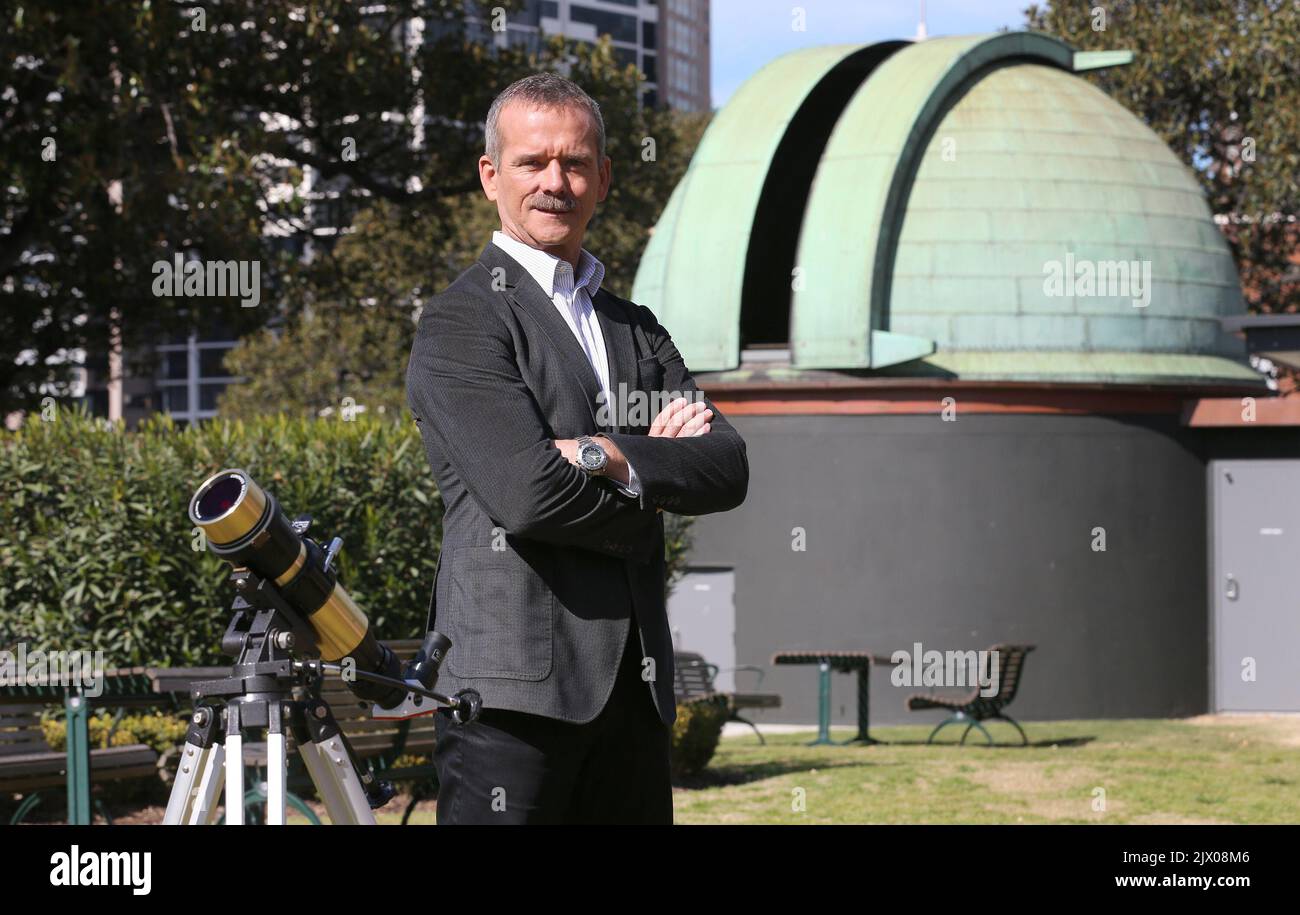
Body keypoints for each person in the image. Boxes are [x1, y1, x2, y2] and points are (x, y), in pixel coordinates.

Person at [405, 72, 749, 824]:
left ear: (604, 178)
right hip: (511, 699)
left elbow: (726, 465)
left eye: (576, 162)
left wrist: (604, 455)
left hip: (634, 690)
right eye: (533, 162)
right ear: (491, 176)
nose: (555, 182)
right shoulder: (461, 324)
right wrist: (655, 479)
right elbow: (527, 495)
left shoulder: (635, 326)